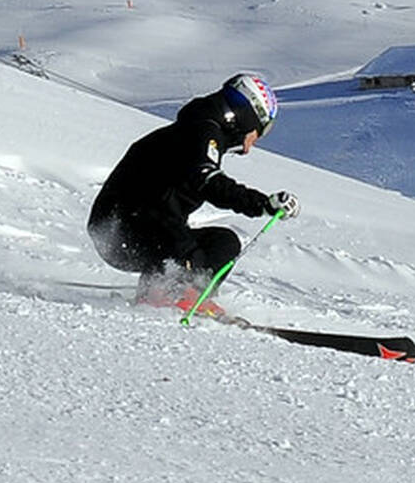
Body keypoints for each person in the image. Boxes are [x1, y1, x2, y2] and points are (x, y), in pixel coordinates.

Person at [86, 73, 293, 313]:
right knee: (190, 250)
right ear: (249, 115)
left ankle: (168, 290)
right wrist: (262, 203)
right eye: (262, 130)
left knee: (222, 243)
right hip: (122, 230)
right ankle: (172, 293)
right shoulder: (203, 130)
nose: (251, 144)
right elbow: (209, 182)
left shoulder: (199, 128)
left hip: (138, 228)